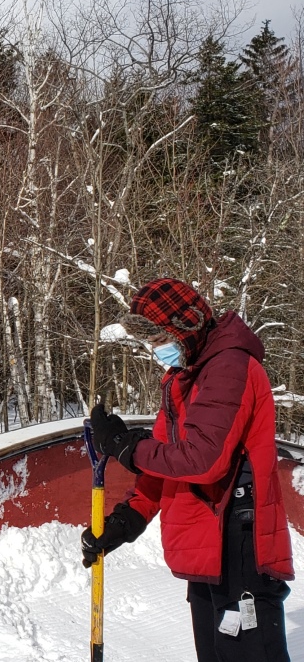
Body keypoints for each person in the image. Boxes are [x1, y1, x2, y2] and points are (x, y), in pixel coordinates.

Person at [83, 277, 293, 662]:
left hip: (237, 544)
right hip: (206, 543)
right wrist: (128, 518)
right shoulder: (183, 377)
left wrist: (125, 447)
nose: (155, 349)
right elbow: (165, 462)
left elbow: (202, 460)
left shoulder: (230, 367)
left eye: (158, 337)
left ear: (188, 324)